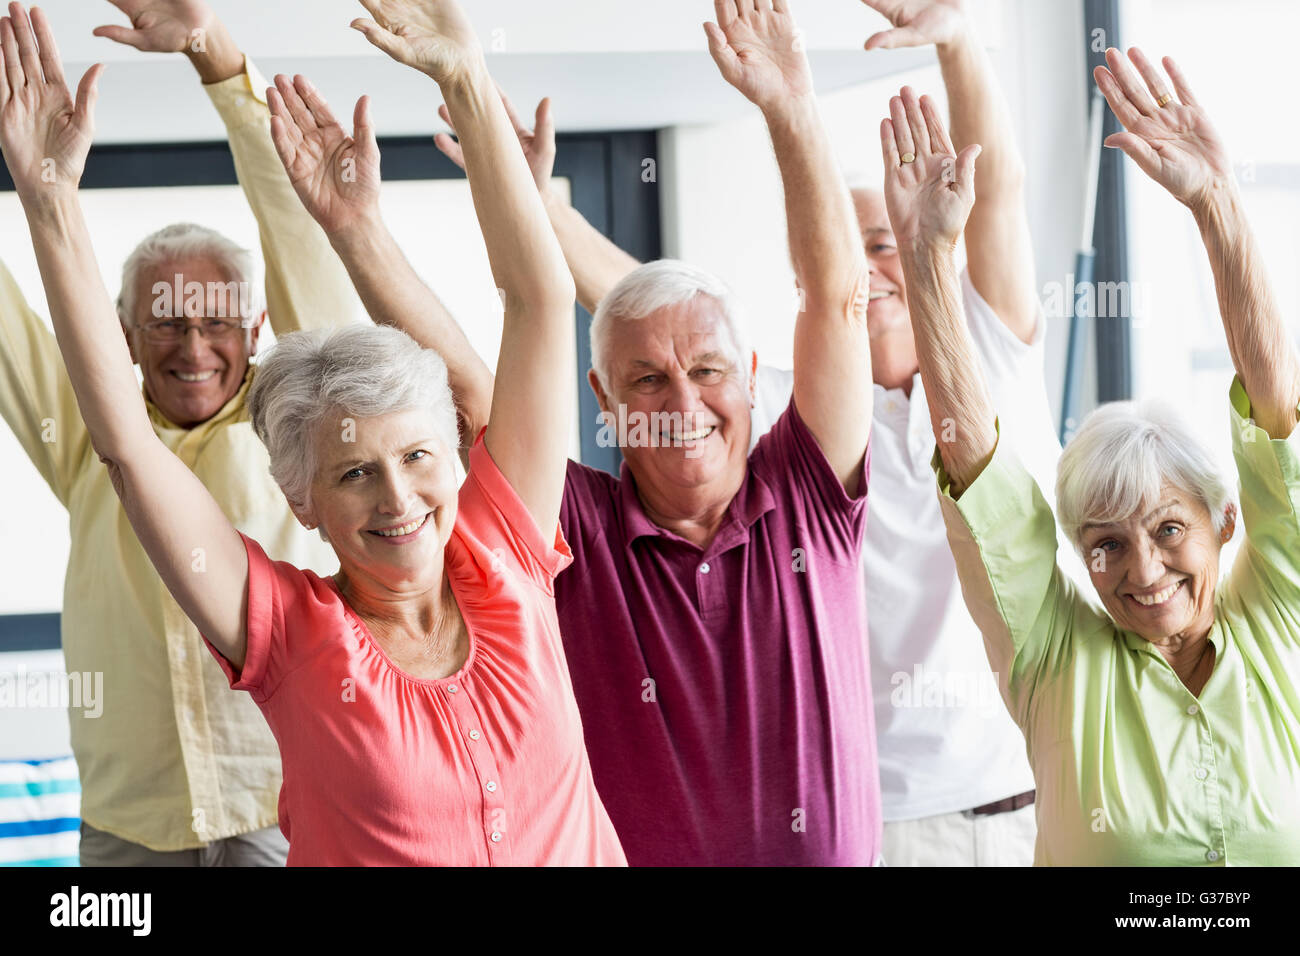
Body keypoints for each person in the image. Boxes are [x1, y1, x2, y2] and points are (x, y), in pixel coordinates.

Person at [433, 0, 1057, 866]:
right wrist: (538, 204)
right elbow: (649, 320)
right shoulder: (791, 421)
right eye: (860, 246)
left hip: (1016, 791)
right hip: (889, 806)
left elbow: (1003, 191)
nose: (874, 264)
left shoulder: (988, 356)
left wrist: (959, 40)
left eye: (889, 241)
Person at [0, 0, 624, 866]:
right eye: (355, 475)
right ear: (303, 499)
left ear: (454, 456)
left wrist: (465, 75)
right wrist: (49, 203)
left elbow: (540, 299)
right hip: (136, 830)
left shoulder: (507, 553)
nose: (398, 495)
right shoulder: (296, 632)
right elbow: (127, 448)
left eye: (414, 457)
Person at [270, 0, 878, 866]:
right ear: (603, 397)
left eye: (707, 369)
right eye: (646, 379)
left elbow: (837, 296)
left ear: (749, 374)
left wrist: (790, 108)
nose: (683, 401)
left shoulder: (807, 491)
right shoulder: (571, 531)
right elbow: (471, 382)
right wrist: (359, 230)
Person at [883, 48, 1300, 864]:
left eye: (1169, 529)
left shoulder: (1278, 614)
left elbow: (1277, 410)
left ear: (1224, 521)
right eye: (1105, 543)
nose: (1142, 570)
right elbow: (976, 465)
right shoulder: (1056, 661)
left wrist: (1216, 202)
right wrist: (928, 261)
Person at [0, 0, 357, 865]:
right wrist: (41, 183)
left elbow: (300, 238)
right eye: (164, 322)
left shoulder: (301, 433)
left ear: (257, 327)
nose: (193, 345)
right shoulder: (90, 439)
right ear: (122, 335)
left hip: (288, 813)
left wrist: (219, 61)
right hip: (127, 835)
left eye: (216, 320)